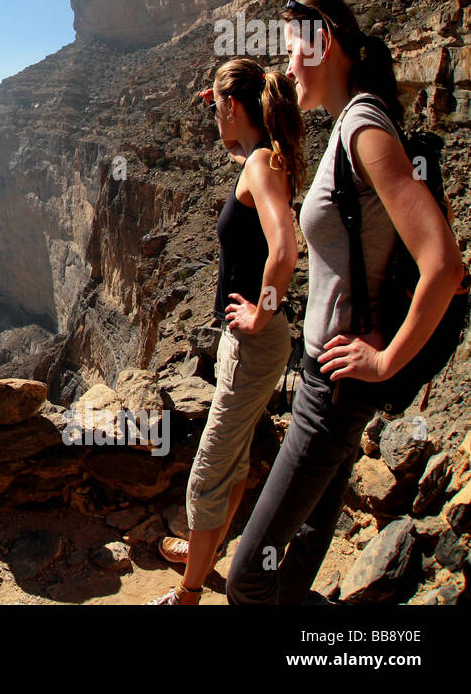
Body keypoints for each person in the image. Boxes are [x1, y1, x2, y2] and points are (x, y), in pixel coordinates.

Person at [225, 0, 464, 604]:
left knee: (248, 578)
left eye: (291, 49)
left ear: (323, 43)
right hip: (326, 379)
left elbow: (444, 263)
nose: (285, 66)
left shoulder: (363, 127)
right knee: (299, 552)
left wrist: (384, 361)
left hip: (332, 391)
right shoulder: (347, 127)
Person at [150, 57, 306, 605]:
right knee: (235, 462)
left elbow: (285, 251)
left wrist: (260, 313)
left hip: (255, 342)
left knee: (208, 470)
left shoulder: (262, 164)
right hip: (260, 344)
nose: (211, 118)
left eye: (216, 108)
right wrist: (213, 101)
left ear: (234, 107)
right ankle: (207, 552)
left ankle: (189, 590)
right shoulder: (263, 155)